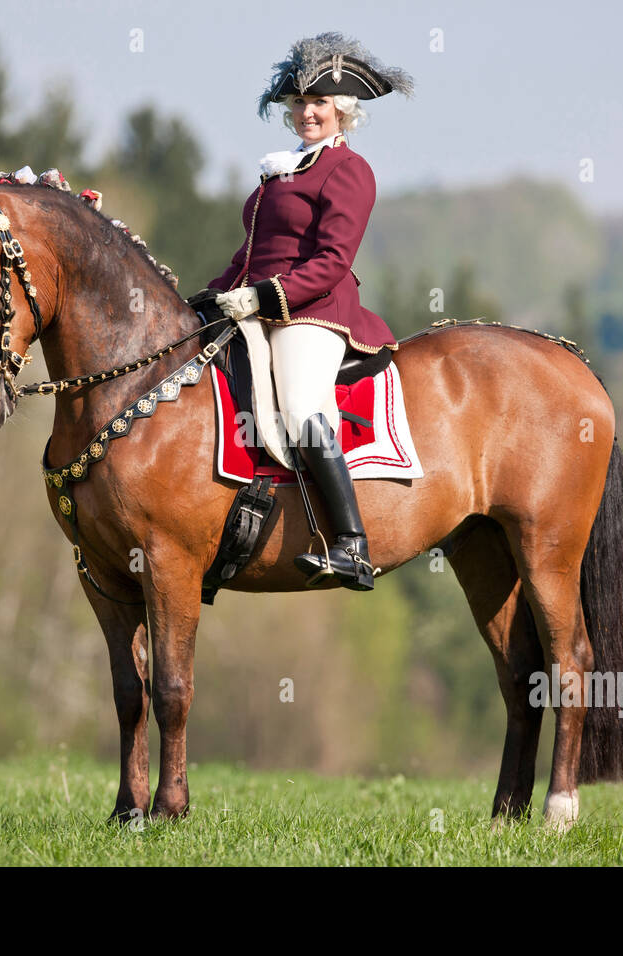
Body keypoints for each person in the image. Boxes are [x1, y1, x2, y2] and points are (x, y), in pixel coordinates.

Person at [191, 32, 414, 592]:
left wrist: (265, 297)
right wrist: (209, 296)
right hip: (255, 305)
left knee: (297, 407)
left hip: (314, 311)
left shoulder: (348, 170)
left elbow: (334, 260)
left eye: (318, 103)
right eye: (299, 103)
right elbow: (253, 253)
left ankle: (351, 547)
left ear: (342, 111)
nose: (307, 112)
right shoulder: (282, 170)